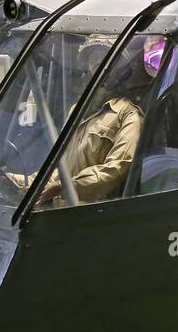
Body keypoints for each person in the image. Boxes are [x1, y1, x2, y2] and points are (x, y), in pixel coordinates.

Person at [33, 35, 143, 206]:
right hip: (60, 209)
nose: (98, 63)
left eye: (105, 57)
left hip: (95, 214)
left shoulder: (128, 115)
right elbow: (59, 166)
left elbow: (117, 168)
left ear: (121, 69)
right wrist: (18, 181)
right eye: (93, 57)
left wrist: (65, 187)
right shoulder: (76, 111)